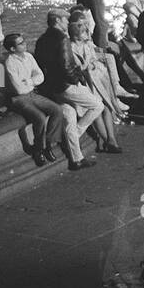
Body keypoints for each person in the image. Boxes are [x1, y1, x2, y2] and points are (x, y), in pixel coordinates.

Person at [34, 9, 100, 169]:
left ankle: (76, 159)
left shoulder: (41, 40)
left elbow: (39, 64)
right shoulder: (62, 38)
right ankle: (76, 134)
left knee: (69, 115)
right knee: (97, 105)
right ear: (57, 20)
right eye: (65, 20)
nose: (67, 22)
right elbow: (66, 66)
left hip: (50, 87)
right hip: (65, 85)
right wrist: (76, 78)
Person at [3, 32, 65, 166]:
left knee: (57, 110)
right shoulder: (9, 63)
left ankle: (49, 143)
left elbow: (41, 76)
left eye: (23, 41)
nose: (24, 43)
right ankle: (39, 150)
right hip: (18, 99)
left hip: (31, 93)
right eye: (20, 43)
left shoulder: (29, 56)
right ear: (12, 49)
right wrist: (32, 82)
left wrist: (28, 81)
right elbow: (18, 89)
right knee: (39, 117)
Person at [68, 20, 125, 152]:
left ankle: (111, 139)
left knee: (107, 107)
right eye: (84, 32)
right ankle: (108, 141)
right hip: (85, 83)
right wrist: (88, 64)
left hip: (96, 80)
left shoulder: (87, 46)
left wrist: (91, 64)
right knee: (97, 110)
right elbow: (78, 67)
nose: (87, 33)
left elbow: (93, 60)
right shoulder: (71, 48)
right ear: (77, 35)